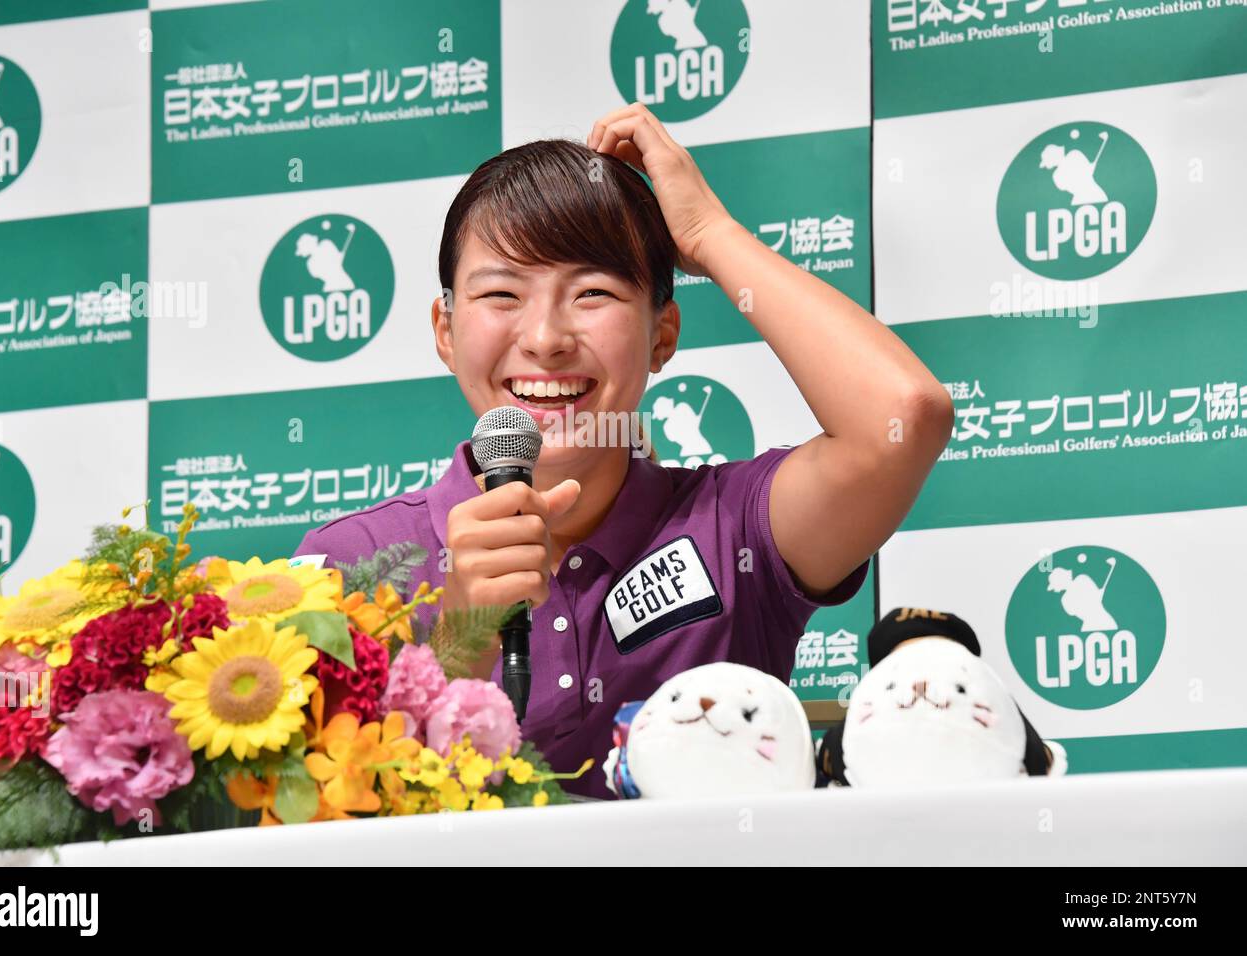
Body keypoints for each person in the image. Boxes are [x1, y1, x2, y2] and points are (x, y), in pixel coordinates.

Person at [294, 104, 953, 798]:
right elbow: (312, 815)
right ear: (445, 330)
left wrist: (708, 233)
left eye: (594, 293)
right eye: (501, 294)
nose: (545, 337)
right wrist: (458, 642)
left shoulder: (734, 530)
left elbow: (903, 417)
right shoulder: (348, 565)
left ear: (663, 334)